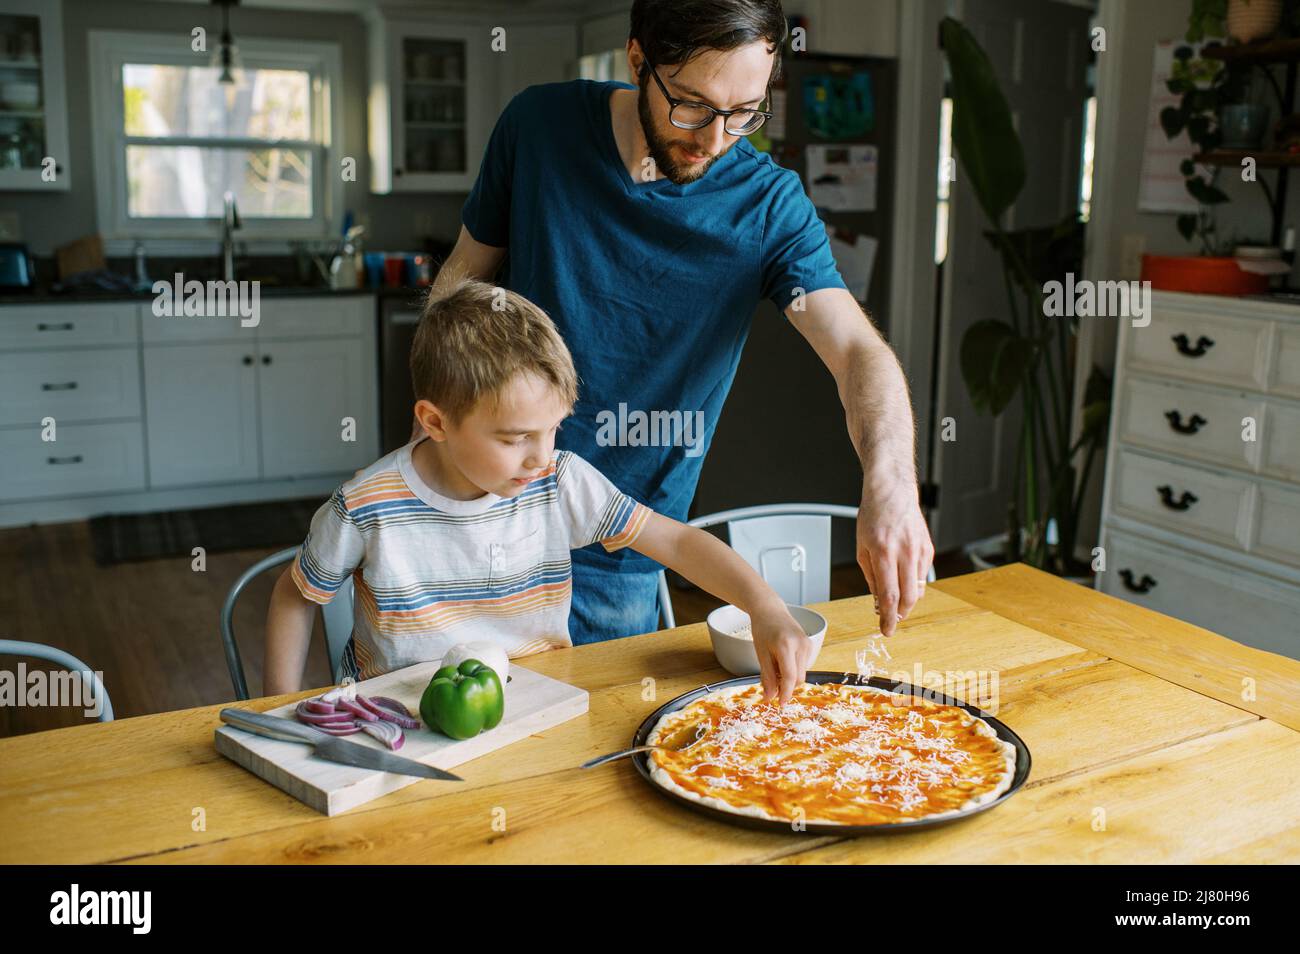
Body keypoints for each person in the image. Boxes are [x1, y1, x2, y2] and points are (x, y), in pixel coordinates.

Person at [434, 0, 934, 648]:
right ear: (638, 59)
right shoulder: (539, 128)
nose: (715, 139)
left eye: (745, 112)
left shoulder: (767, 206)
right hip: (475, 525)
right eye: (693, 105)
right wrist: (431, 463)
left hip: (623, 556)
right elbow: (458, 289)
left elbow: (856, 351)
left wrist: (890, 483)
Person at [264, 280, 814, 700]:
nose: (542, 455)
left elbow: (676, 543)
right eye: (516, 437)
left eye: (554, 428)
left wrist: (763, 605)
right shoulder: (367, 506)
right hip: (396, 716)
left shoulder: (558, 481)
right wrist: (278, 708)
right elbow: (295, 596)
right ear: (435, 422)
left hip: (537, 701)